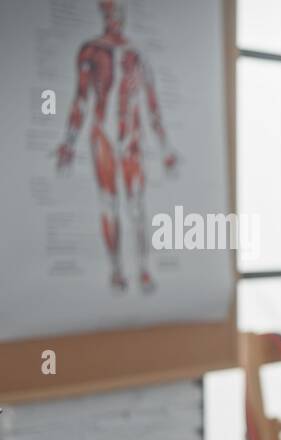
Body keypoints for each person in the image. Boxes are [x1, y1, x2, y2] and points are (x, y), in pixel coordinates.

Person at [55, 0, 177, 294]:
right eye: (111, 12)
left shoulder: (136, 55)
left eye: (119, 12)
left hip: (131, 139)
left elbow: (151, 104)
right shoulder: (92, 51)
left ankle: (144, 270)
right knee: (110, 206)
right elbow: (81, 99)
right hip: (104, 139)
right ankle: (116, 270)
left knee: (136, 206)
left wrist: (165, 149)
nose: (115, 18)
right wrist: (69, 142)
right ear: (103, 14)